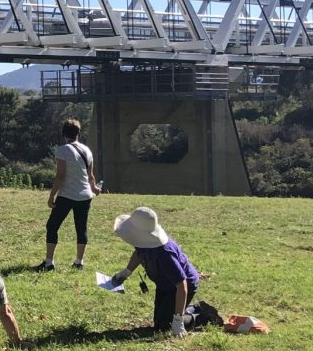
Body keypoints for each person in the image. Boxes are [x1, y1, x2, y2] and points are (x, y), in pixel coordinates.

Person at [105, 206, 206, 336]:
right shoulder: (143, 242)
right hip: (164, 284)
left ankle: (201, 315)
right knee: (158, 322)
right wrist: (126, 272)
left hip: (181, 286)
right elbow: (138, 253)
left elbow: (182, 285)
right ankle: (183, 311)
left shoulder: (165, 254)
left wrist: (178, 321)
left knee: (165, 327)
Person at [40, 118, 99, 271]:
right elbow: (90, 175)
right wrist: (94, 188)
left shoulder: (63, 150)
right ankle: (79, 262)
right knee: (81, 229)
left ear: (64, 134)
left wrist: (51, 195)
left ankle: (49, 262)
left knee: (52, 226)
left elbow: (60, 177)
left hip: (67, 195)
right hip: (85, 195)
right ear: (78, 133)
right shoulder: (87, 150)